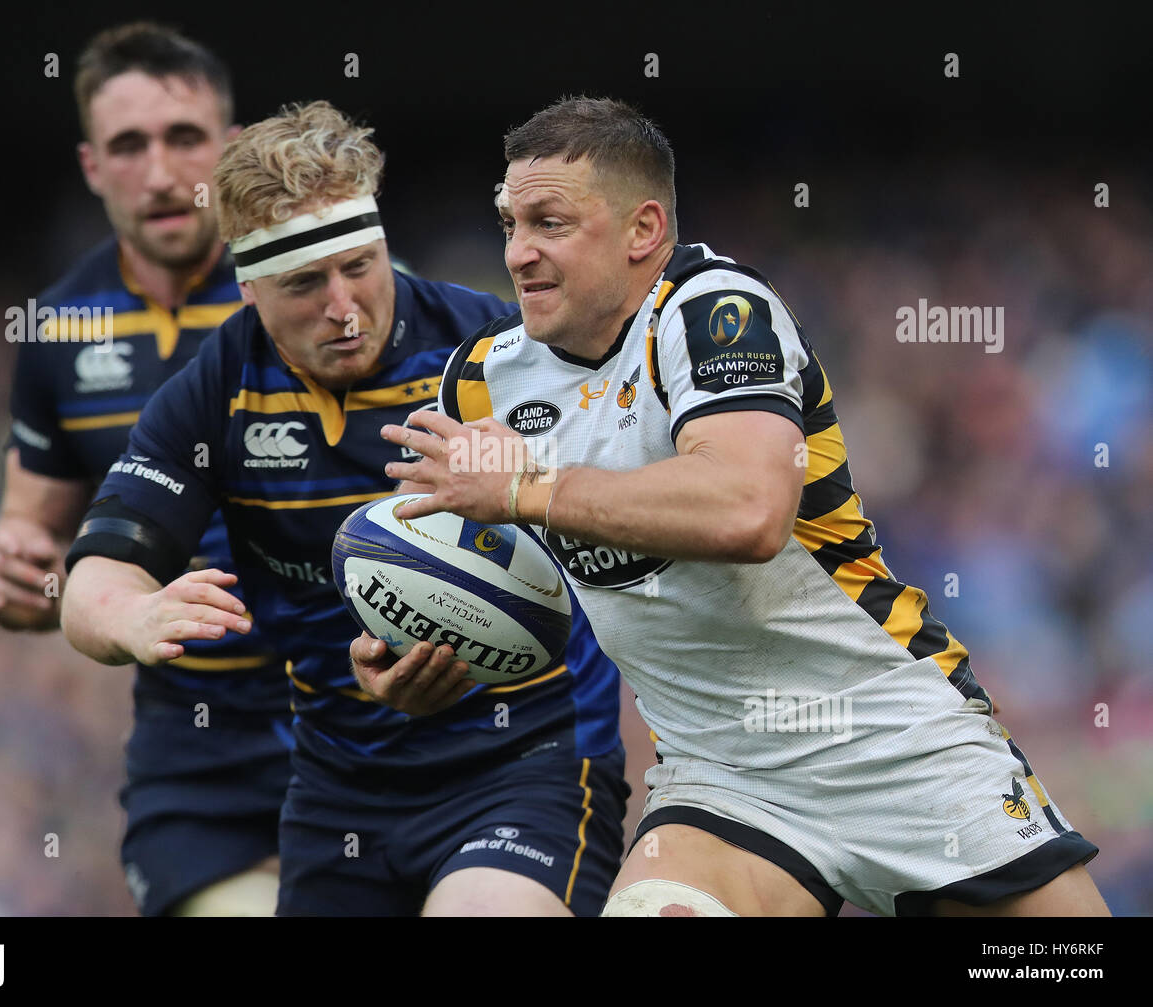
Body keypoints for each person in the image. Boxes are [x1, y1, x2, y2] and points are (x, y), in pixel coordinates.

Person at [372, 96, 1109, 917]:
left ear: (643, 230)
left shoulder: (718, 312)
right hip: (723, 778)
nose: (519, 253)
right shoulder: (482, 379)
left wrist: (529, 488)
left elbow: (749, 512)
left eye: (550, 222)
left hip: (894, 744)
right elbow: (509, 586)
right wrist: (429, 655)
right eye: (510, 223)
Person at [59, 99, 630, 917]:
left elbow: (618, 533)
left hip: (523, 761)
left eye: (360, 265)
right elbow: (94, 579)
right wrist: (132, 618)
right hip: (341, 788)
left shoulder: (496, 355)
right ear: (248, 287)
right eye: (304, 282)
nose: (344, 305)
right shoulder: (216, 390)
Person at [0, 22, 293, 916]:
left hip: (365, 718)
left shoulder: (321, 292)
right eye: (128, 145)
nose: (158, 173)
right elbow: (35, 540)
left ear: (228, 148)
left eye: (183, 139)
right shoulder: (55, 330)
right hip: (197, 754)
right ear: (90, 166)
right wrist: (20, 577)